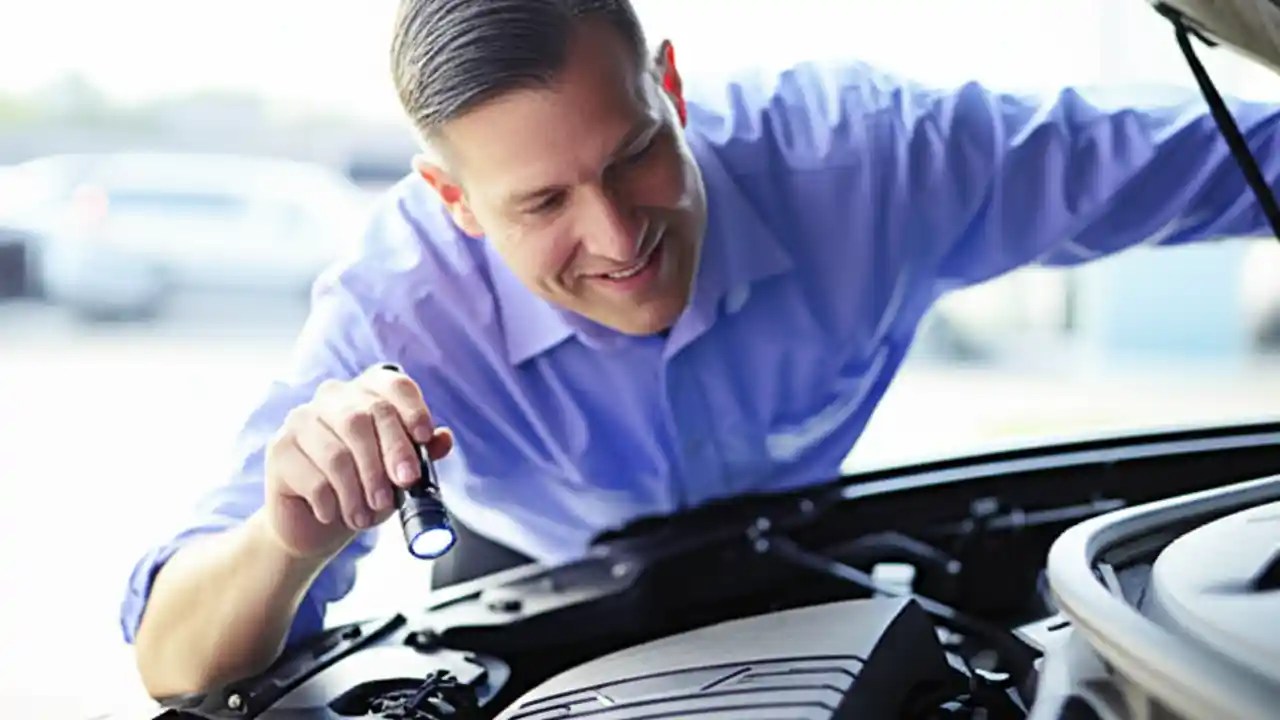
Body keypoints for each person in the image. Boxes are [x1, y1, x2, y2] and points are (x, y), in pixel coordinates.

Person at [121, 0, 1280, 698]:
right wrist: (286, 537)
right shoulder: (395, 310)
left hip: (807, 560)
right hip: (533, 582)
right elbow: (176, 662)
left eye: (633, 153)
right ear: (453, 200)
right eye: (540, 204)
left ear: (669, 84)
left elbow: (1223, 162)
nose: (617, 238)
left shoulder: (874, 163)